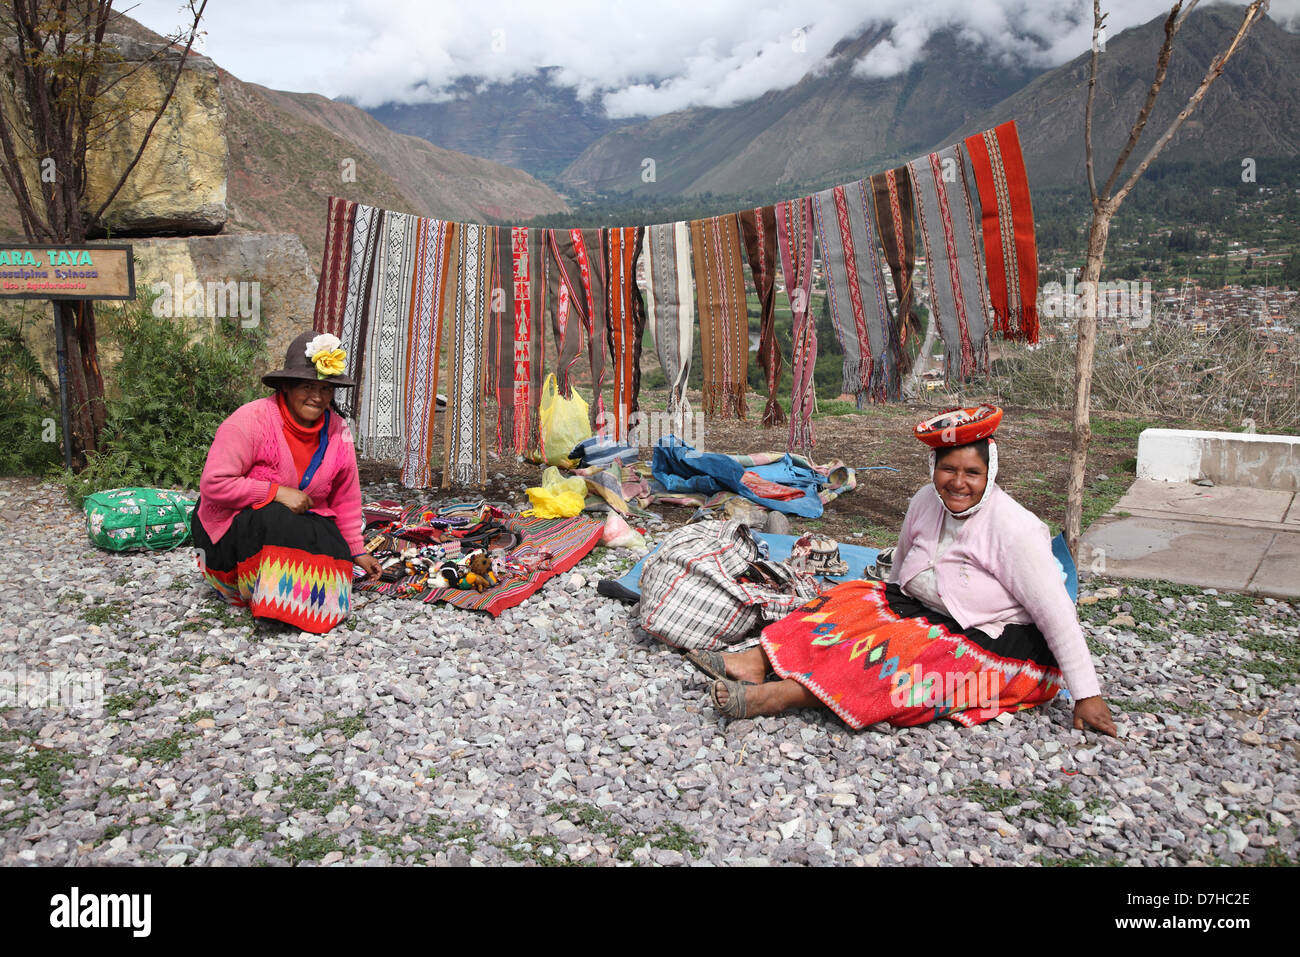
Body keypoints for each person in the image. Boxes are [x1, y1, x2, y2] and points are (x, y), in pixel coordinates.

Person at [697, 406, 1117, 735]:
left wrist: (1087, 695)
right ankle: (756, 660)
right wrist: (878, 605)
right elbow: (900, 564)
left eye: (973, 472)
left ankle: (781, 696)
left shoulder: (1016, 529)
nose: (958, 482)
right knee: (847, 599)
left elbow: (1057, 614)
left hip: (998, 643)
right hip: (932, 611)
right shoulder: (924, 500)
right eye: (948, 469)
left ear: (990, 477)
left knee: (896, 652)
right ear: (932, 469)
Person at [190, 330, 381, 633]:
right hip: (233, 532)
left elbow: (345, 498)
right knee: (276, 517)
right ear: (287, 387)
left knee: (331, 542)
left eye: (326, 388)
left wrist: (357, 550)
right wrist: (276, 492)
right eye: (307, 386)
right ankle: (268, 601)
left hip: (295, 521)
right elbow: (213, 485)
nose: (318, 397)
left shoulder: (338, 429)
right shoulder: (251, 421)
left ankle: (295, 604)